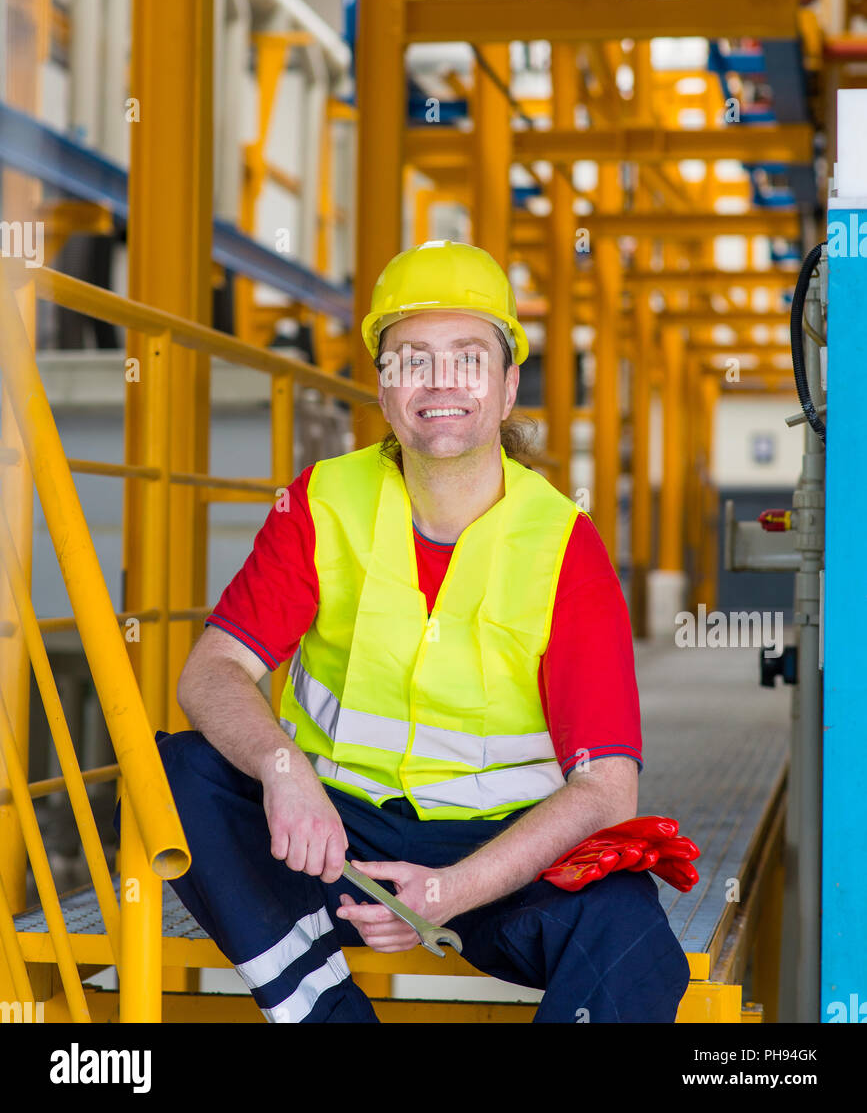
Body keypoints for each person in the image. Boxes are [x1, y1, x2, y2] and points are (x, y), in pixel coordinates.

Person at [147, 239, 691, 1023]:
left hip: (496, 859)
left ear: (507, 390)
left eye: (469, 357)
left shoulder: (563, 545)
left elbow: (606, 789)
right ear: (383, 385)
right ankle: (329, 1014)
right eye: (412, 358)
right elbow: (210, 670)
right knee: (178, 771)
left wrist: (450, 890)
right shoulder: (322, 501)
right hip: (332, 841)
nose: (440, 380)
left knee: (630, 930)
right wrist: (281, 769)